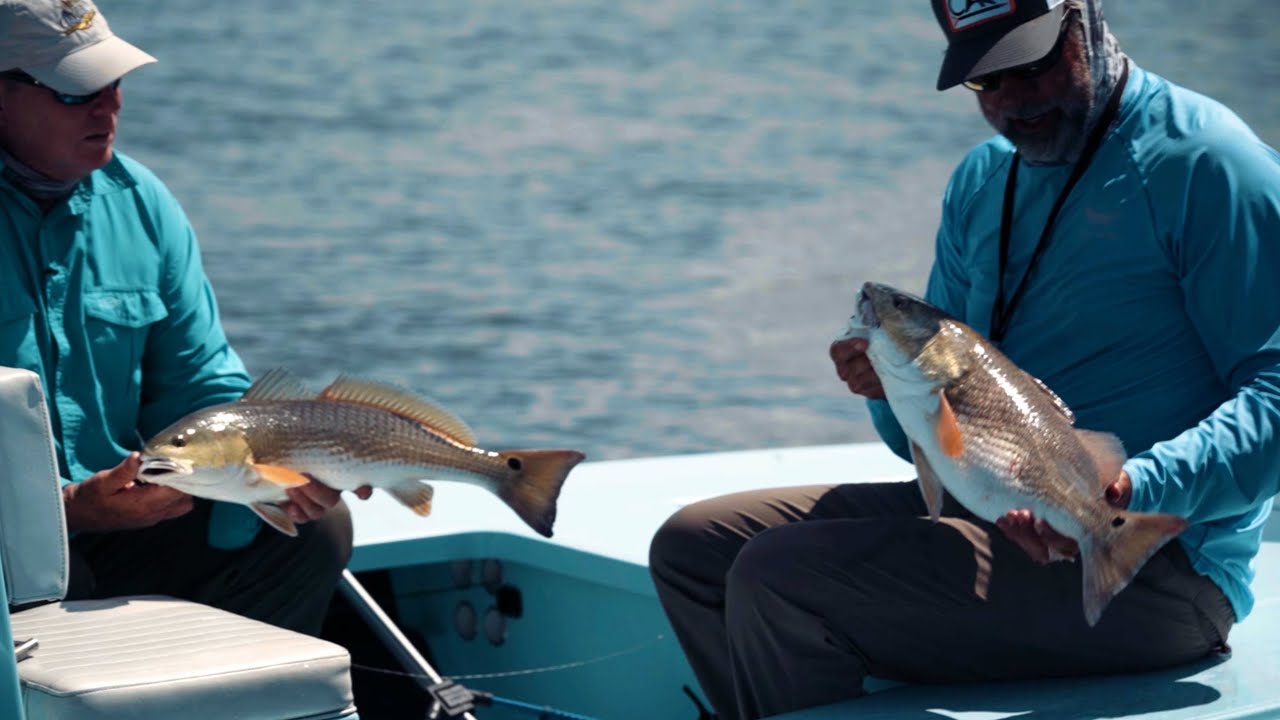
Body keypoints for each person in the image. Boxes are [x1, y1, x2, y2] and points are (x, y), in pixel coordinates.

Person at [649, 0, 1280, 717]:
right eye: (987, 82)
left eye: (1033, 64)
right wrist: (888, 392)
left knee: (780, 574)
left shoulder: (1209, 165)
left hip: (1156, 564)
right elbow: (932, 442)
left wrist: (1130, 489)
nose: (1013, 100)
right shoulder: (983, 183)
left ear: (1088, 23)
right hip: (1007, 518)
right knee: (695, 549)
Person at [0, 0, 364, 636]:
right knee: (43, 574)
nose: (106, 105)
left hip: (120, 516)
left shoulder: (144, 201)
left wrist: (275, 473)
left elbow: (203, 387)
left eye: (113, 81)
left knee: (313, 533)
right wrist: (67, 510)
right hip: (17, 541)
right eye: (75, 90)